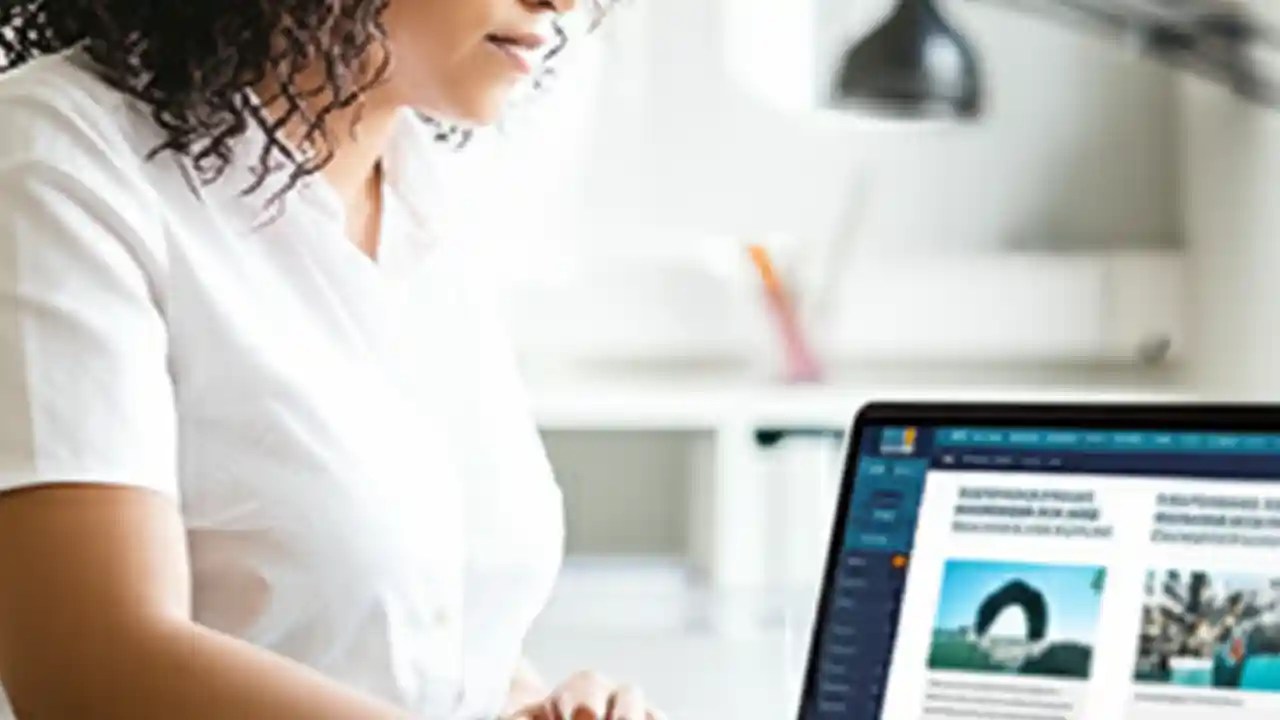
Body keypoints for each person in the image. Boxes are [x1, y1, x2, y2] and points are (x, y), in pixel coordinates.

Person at [0, 1, 662, 719]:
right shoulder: (60, 157)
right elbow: (88, 663)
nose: (562, 3)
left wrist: (528, 702)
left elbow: (397, 638)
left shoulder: (428, 193)